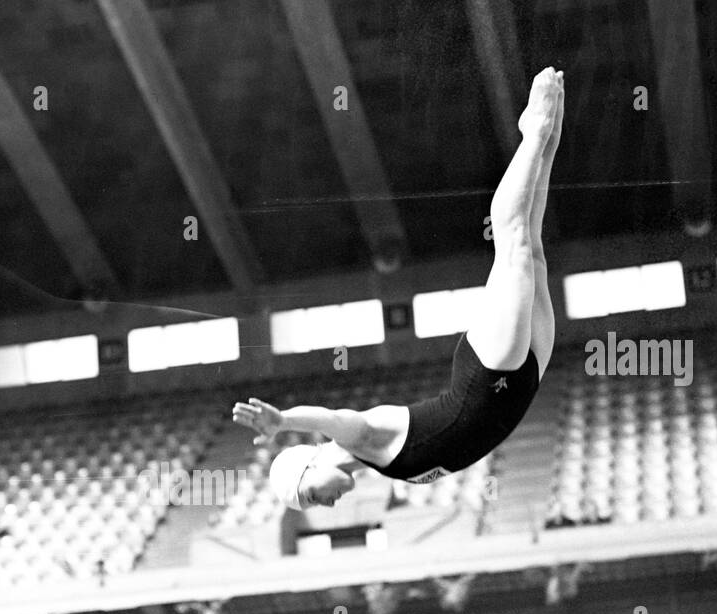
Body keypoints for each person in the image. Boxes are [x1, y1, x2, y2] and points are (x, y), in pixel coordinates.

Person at [238, 70, 565, 510]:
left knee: (515, 246)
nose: (328, 504)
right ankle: (550, 130)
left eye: (313, 497)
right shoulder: (377, 463)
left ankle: (534, 131)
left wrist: (284, 420)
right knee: (535, 248)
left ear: (309, 466)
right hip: (524, 380)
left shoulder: (367, 439)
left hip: (489, 374)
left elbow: (336, 420)